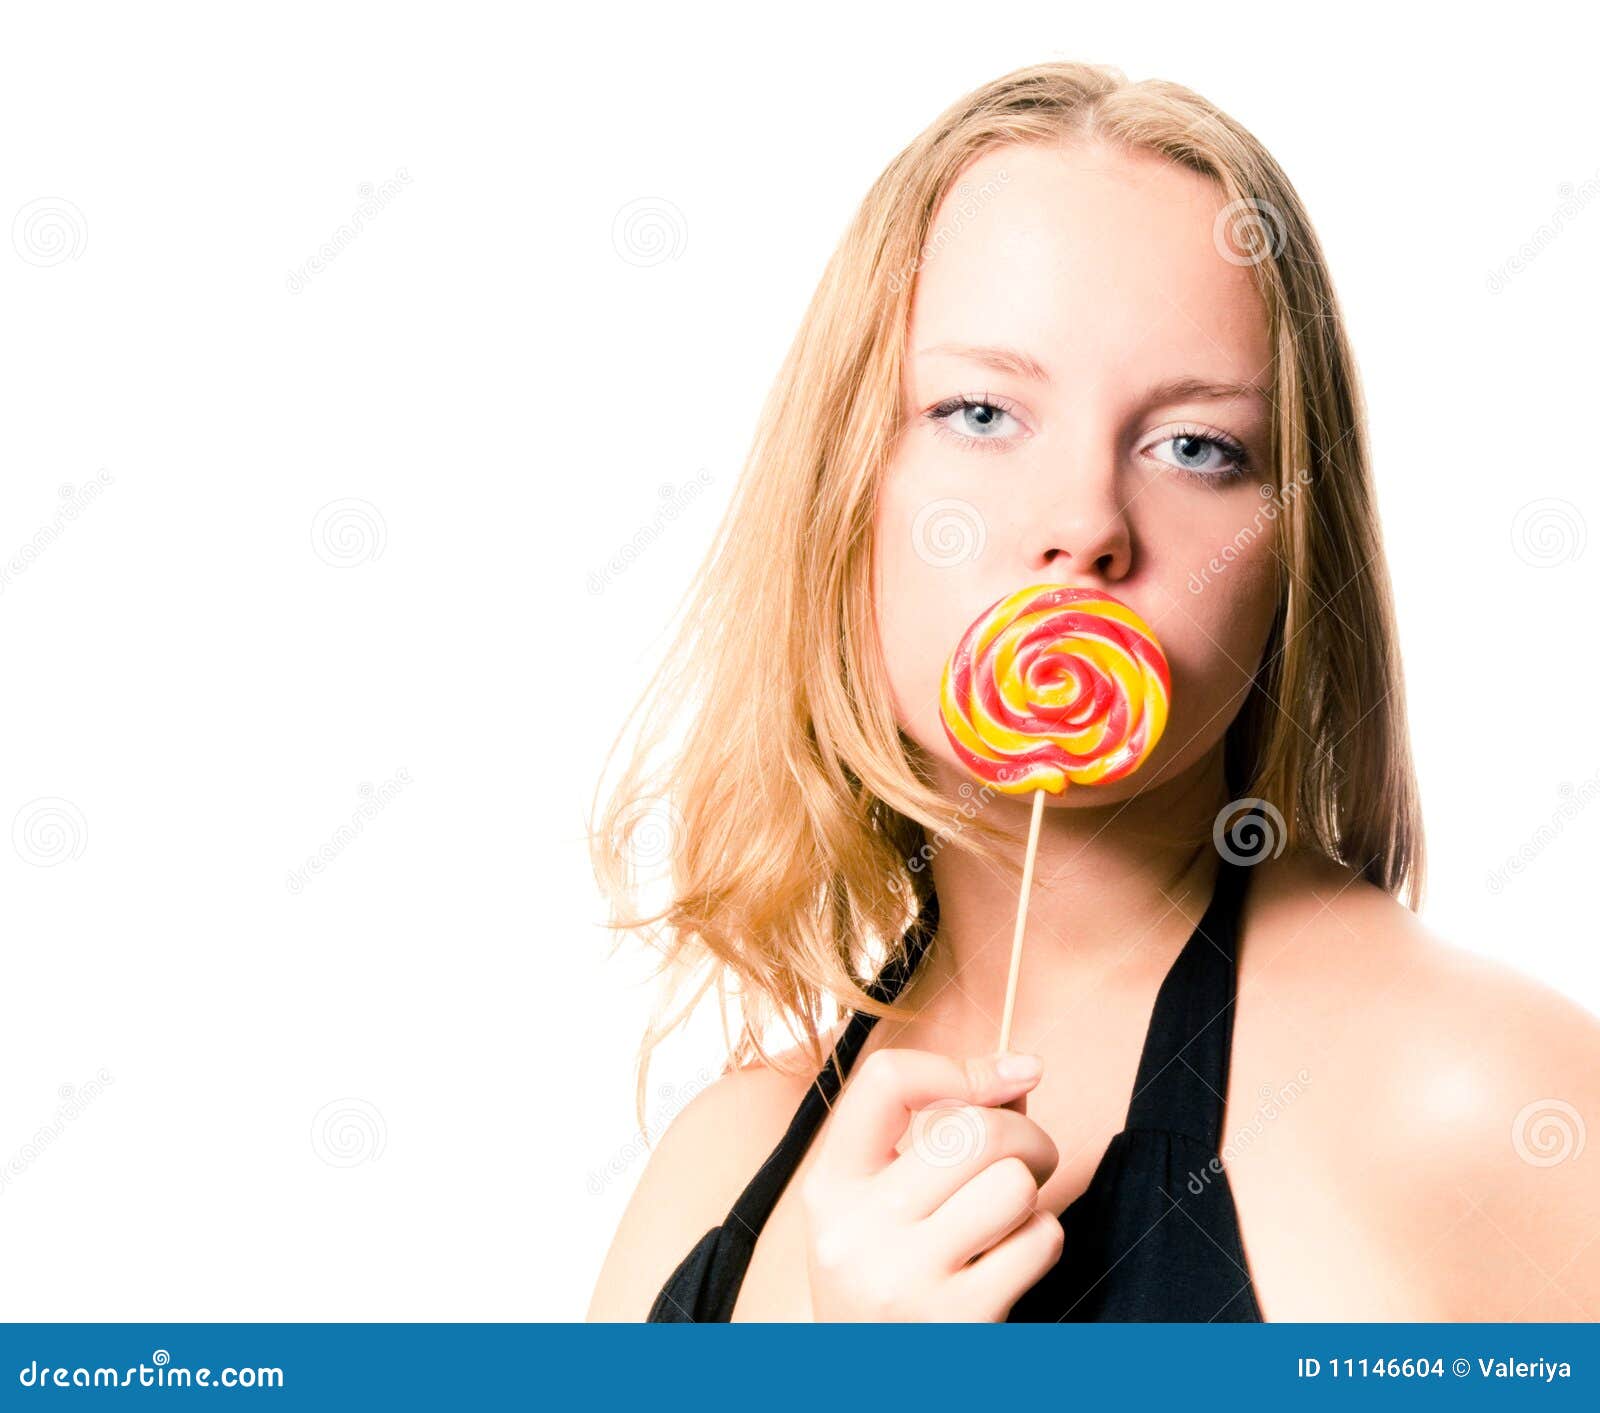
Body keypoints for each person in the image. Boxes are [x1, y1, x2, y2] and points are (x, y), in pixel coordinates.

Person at [586, 60, 1600, 1322]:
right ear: (844, 488)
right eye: (979, 413)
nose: (1084, 527)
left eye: (1195, 447)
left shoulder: (1474, 1102)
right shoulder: (719, 1166)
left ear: (1294, 550)